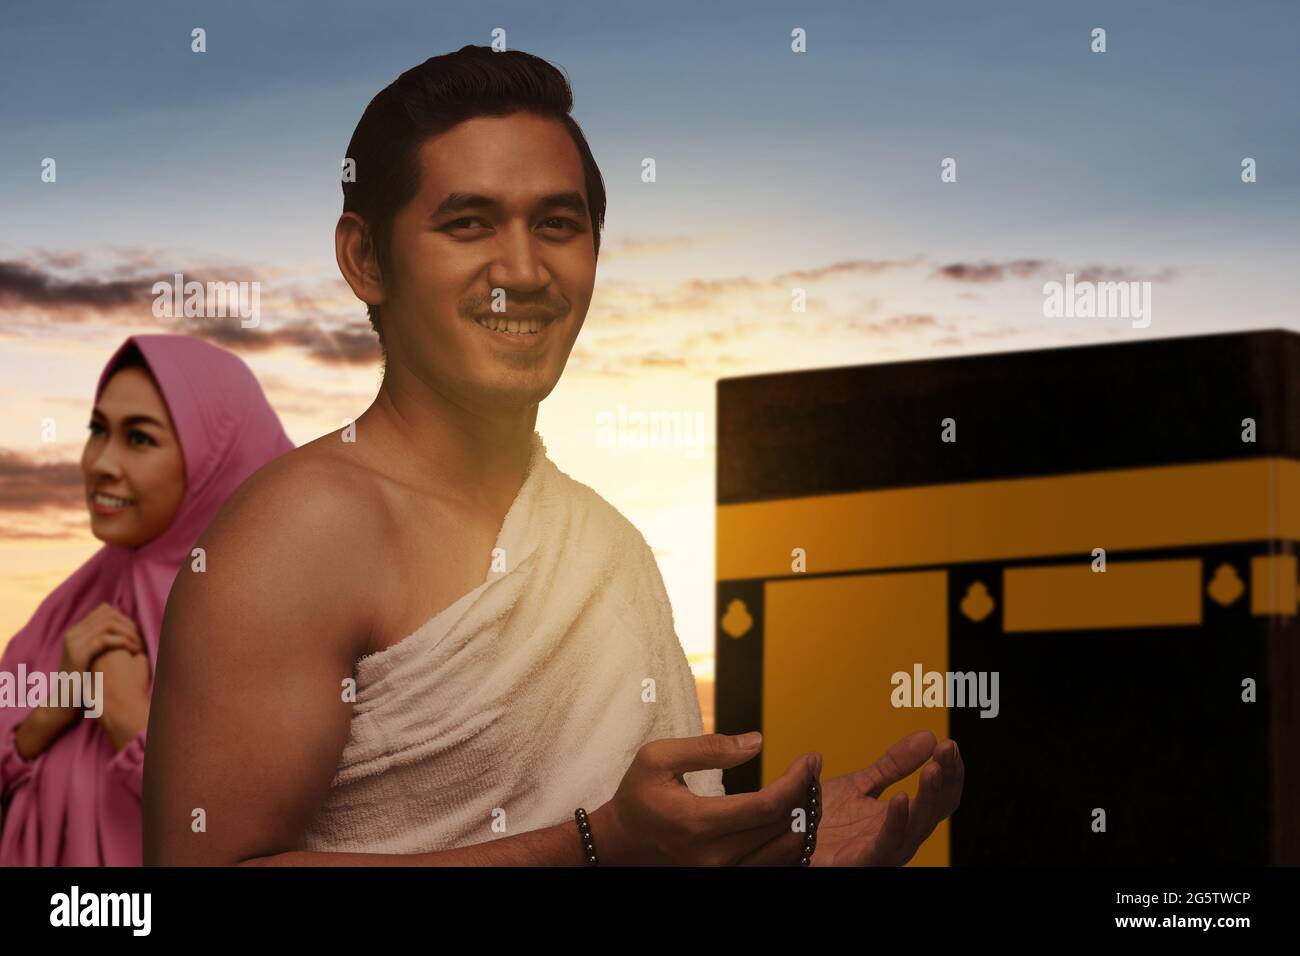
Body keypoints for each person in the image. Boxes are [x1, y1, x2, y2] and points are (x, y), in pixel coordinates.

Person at [144, 46, 964, 866]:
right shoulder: (297, 531)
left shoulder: (607, 547)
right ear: (365, 259)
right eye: (468, 224)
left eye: (558, 225)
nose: (523, 271)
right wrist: (594, 846)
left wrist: (794, 855)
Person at [0, 335, 294, 865]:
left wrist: (133, 726)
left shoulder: (277, 618)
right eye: (98, 431)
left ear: (216, 461)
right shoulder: (68, 609)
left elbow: (280, 835)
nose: (101, 464)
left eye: (139, 439)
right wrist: (44, 719)